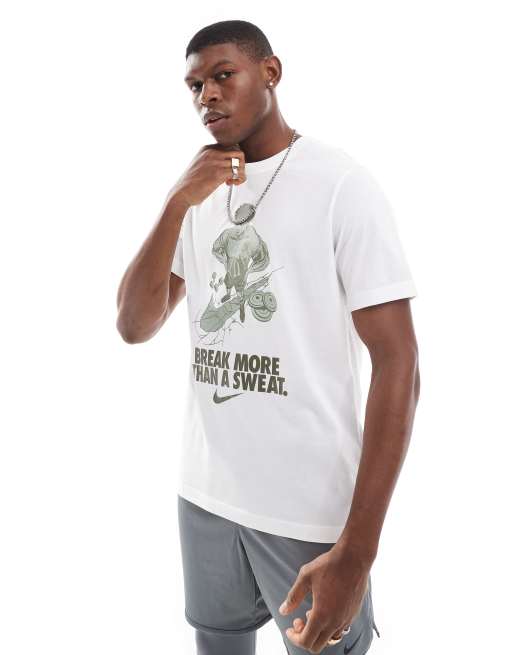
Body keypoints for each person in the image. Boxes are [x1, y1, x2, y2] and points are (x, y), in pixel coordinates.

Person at [116, 19, 421, 655]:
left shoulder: (341, 185)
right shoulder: (198, 192)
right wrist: (176, 202)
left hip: (307, 512)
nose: (207, 95)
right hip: (205, 496)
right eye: (194, 85)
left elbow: (400, 366)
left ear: (271, 73)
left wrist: (359, 550)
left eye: (223, 75)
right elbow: (134, 325)